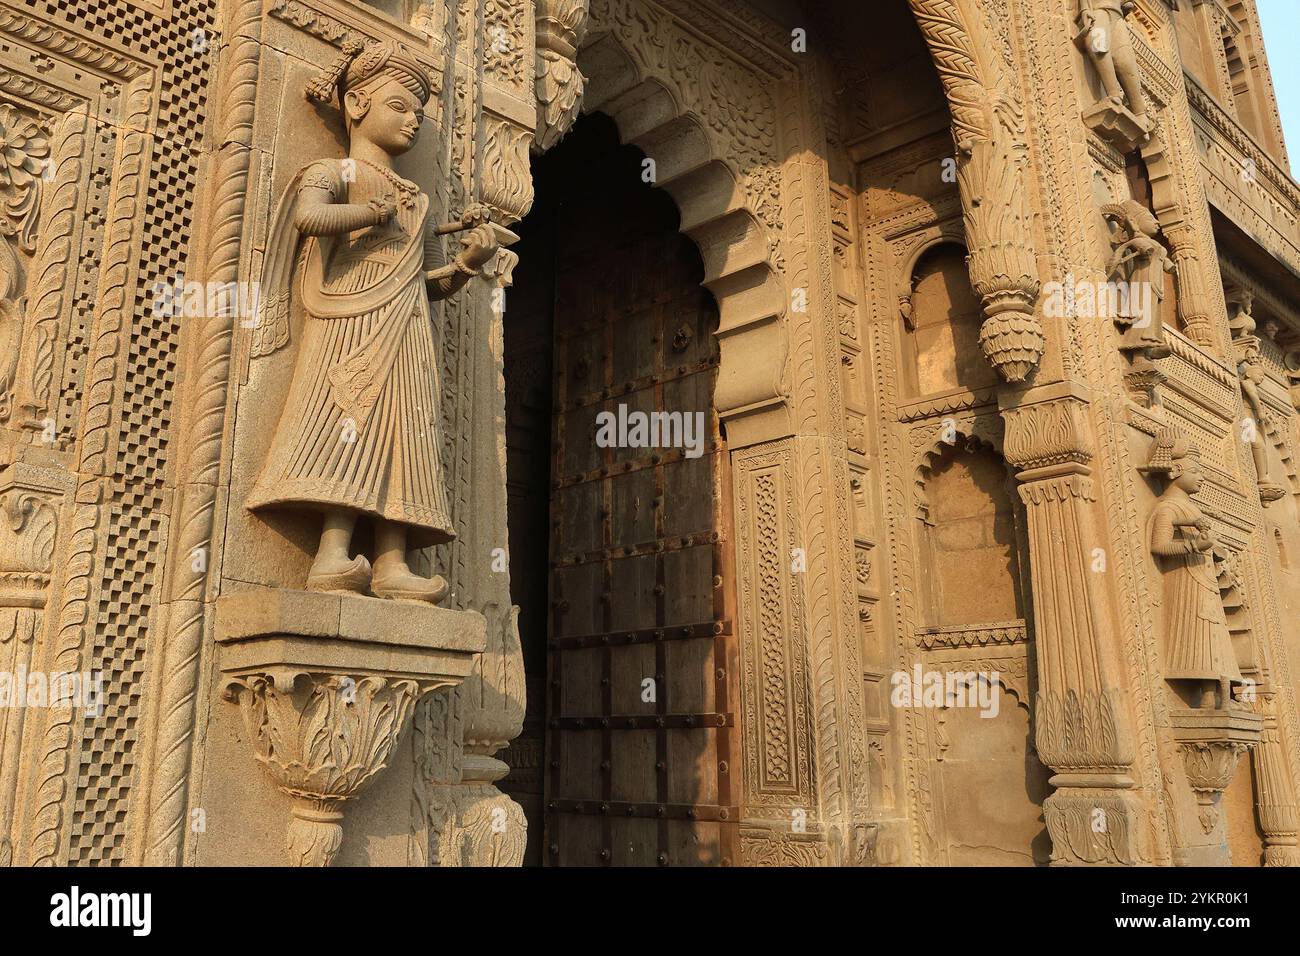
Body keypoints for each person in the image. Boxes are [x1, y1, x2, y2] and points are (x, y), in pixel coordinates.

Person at [246, 42, 498, 602]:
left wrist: (465, 263)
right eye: (400, 107)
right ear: (357, 102)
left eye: (419, 114)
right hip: (349, 318)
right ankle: (332, 555)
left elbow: (430, 285)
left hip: (406, 327)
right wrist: (371, 211)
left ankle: (391, 561)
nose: (412, 121)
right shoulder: (336, 170)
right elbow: (310, 218)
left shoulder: (420, 200)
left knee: (407, 431)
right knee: (348, 422)